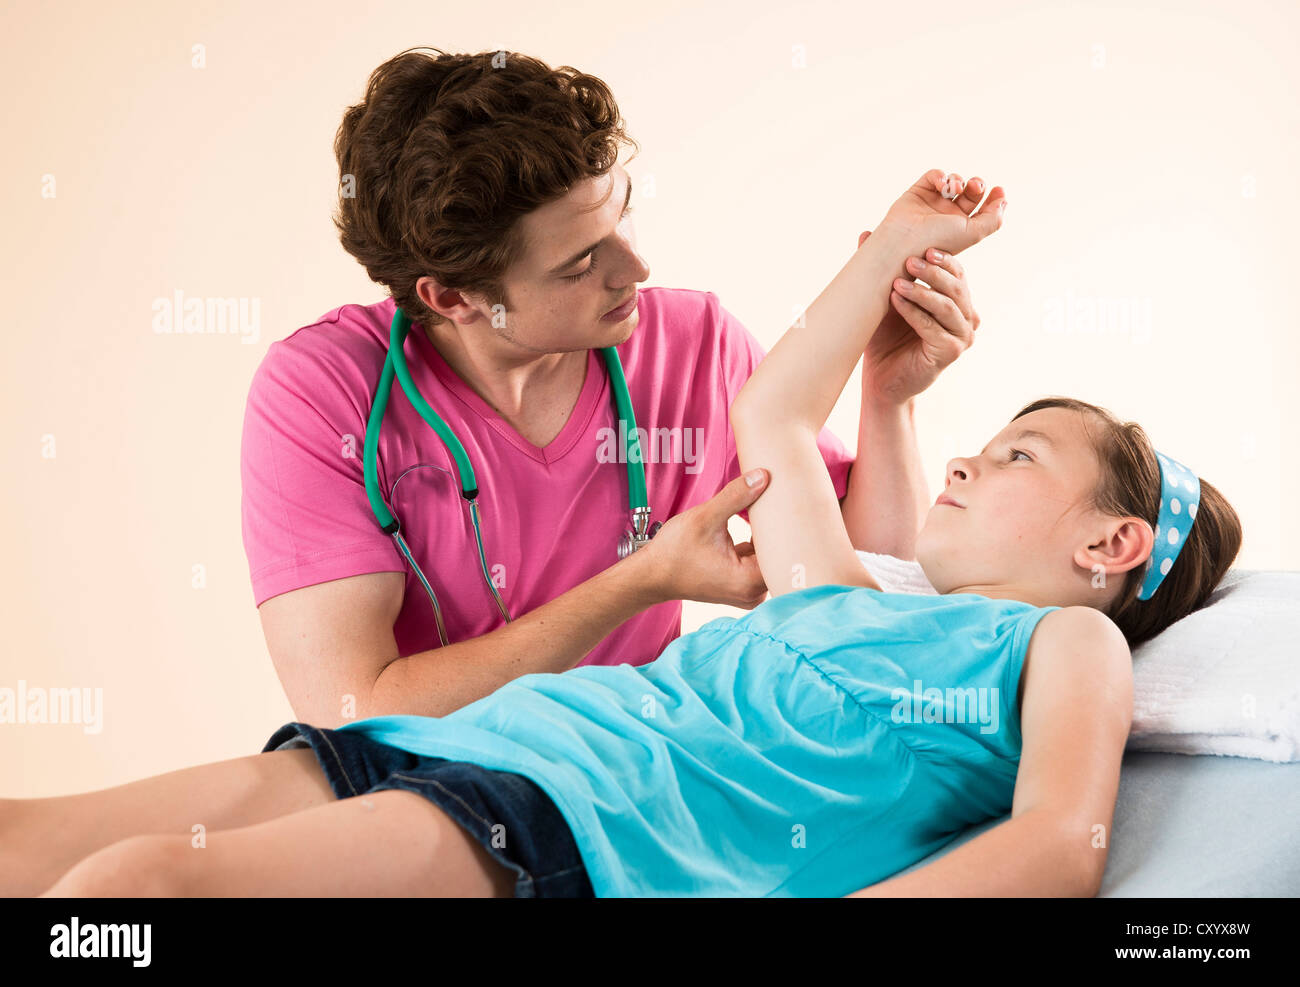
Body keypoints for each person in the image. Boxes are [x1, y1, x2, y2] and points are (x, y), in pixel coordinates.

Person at [10, 168, 1241, 899]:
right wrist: (895, 241)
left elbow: (1055, 851)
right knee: (36, 847)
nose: (969, 458)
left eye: (1019, 455)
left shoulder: (1057, 652)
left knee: (138, 891)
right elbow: (769, 406)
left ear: (1112, 546)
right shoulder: (848, 597)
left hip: (569, 825)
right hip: (458, 742)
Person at [242, 47, 945, 726]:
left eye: (622, 213)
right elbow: (353, 709)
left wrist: (888, 397)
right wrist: (642, 580)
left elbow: (872, 594)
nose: (635, 266)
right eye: (582, 261)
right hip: (422, 794)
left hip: (624, 780)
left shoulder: (692, 347)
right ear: (455, 296)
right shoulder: (324, 393)